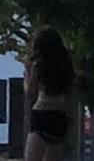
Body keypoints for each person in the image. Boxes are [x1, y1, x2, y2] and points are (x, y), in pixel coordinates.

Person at [25, 26, 74, 161]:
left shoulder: (38, 66)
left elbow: (30, 91)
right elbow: (70, 92)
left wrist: (27, 74)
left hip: (42, 113)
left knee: (32, 157)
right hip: (59, 115)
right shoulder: (65, 65)